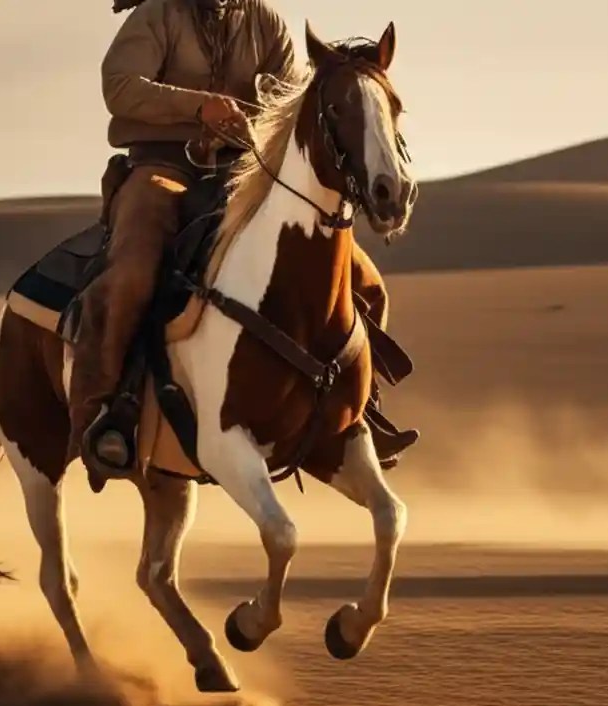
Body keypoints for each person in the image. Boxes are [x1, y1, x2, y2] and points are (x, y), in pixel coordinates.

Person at [72, 0, 415, 481]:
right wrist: (196, 106)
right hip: (161, 168)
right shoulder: (158, 16)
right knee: (132, 274)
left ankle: (357, 409)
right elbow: (120, 86)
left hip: (244, 173)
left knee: (367, 284)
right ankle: (110, 413)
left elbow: (295, 98)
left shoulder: (264, 22)